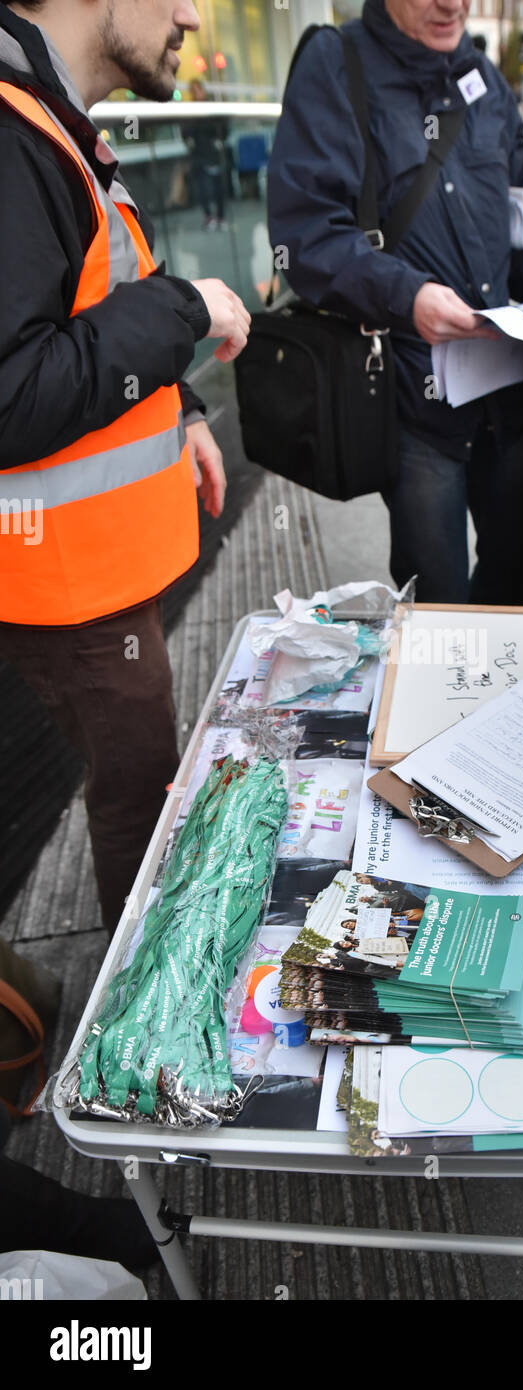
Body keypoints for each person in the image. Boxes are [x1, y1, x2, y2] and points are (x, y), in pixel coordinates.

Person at [0, 0, 251, 929]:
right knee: (139, 805)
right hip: (63, 590)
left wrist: (176, 406)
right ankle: (141, 1034)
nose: (191, 13)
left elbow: (85, 304)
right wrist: (185, 308)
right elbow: (9, 393)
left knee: (134, 785)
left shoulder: (48, 121)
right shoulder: (14, 132)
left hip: (90, 577)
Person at [267, 0, 523, 603]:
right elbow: (305, 236)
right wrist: (407, 294)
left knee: (522, 571)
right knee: (440, 606)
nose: (452, 5)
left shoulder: (488, 81)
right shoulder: (335, 63)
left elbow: (513, 239)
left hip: (510, 394)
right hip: (416, 403)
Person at [183, 76, 227, 229]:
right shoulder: (190, 111)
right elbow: (186, 132)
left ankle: (221, 217)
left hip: (213, 154)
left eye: (198, 89)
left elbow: (223, 128)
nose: (196, 93)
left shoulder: (211, 108)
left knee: (218, 187)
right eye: (193, 91)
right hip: (199, 156)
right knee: (203, 189)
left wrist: (219, 141)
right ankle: (209, 217)